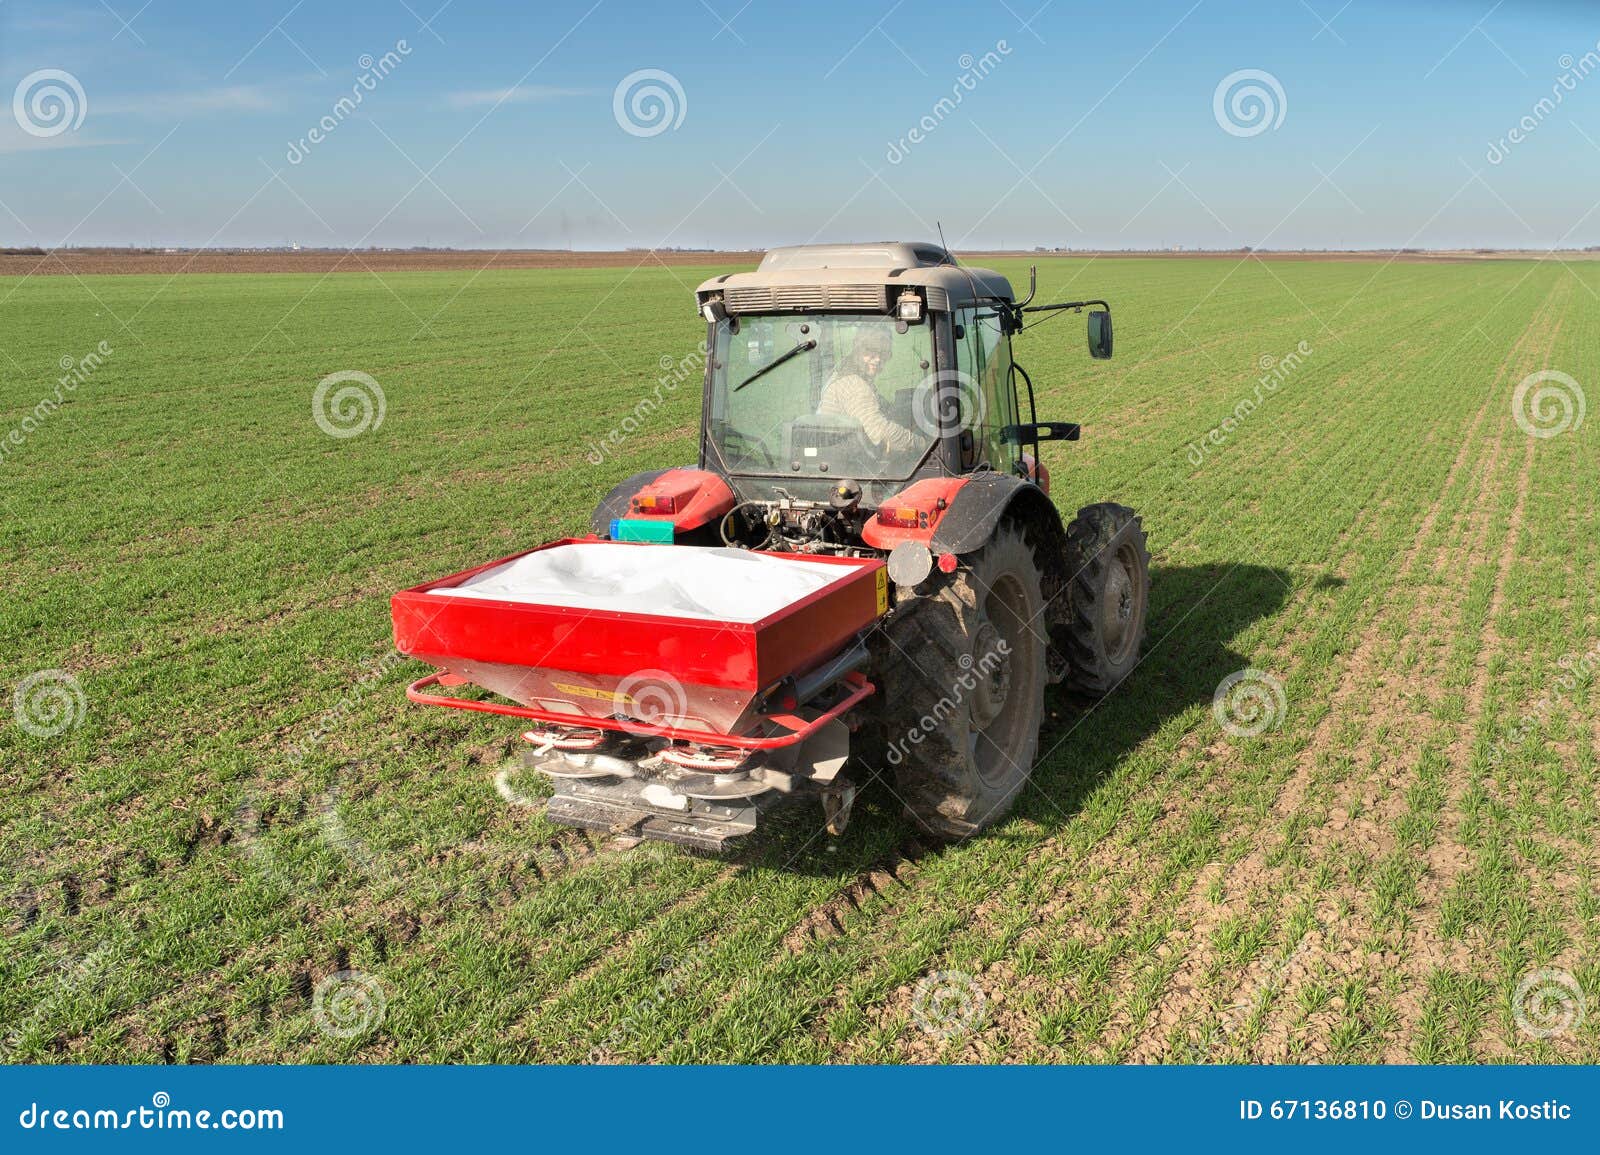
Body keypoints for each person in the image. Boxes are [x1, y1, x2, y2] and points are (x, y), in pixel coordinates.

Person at [818, 327, 918, 452]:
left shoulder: (845, 374)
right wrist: (923, 444)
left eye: (884, 353)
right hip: (850, 465)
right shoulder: (853, 384)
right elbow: (881, 432)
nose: (878, 359)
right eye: (871, 350)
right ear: (857, 349)